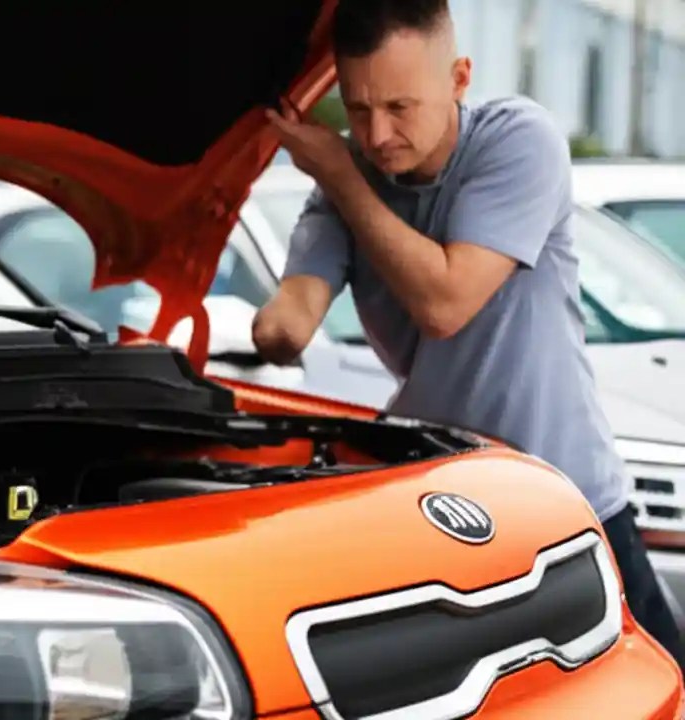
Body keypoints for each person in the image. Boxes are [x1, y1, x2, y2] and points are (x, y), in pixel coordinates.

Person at [251, 0, 685, 666]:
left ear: (458, 78)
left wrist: (339, 176)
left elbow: (447, 302)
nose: (377, 134)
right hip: (449, 513)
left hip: (571, 504)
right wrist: (269, 325)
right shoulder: (343, 193)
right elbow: (289, 324)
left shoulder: (518, 141)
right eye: (359, 110)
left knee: (657, 683)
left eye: (400, 106)